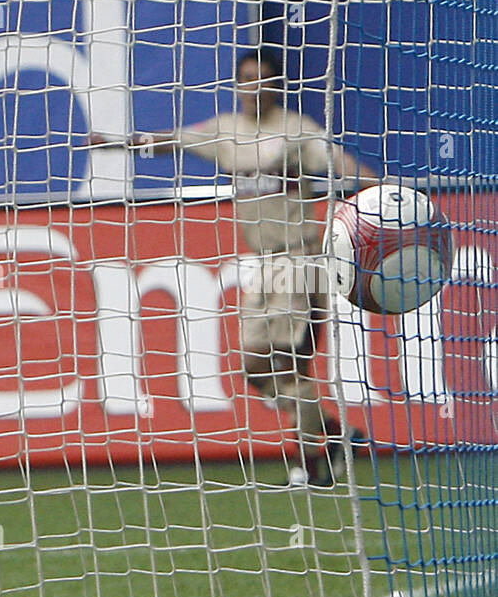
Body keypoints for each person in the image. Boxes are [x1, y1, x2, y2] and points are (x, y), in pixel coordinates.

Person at [90, 46, 379, 486]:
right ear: (238, 85)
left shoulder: (297, 131)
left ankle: (316, 457)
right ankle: (332, 443)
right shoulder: (227, 132)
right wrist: (116, 142)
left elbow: (339, 163)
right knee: (261, 368)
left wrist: (379, 188)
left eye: (261, 79)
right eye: (246, 79)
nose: (253, 88)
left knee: (268, 359)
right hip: (264, 265)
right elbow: (174, 141)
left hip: (298, 258)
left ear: (276, 86)